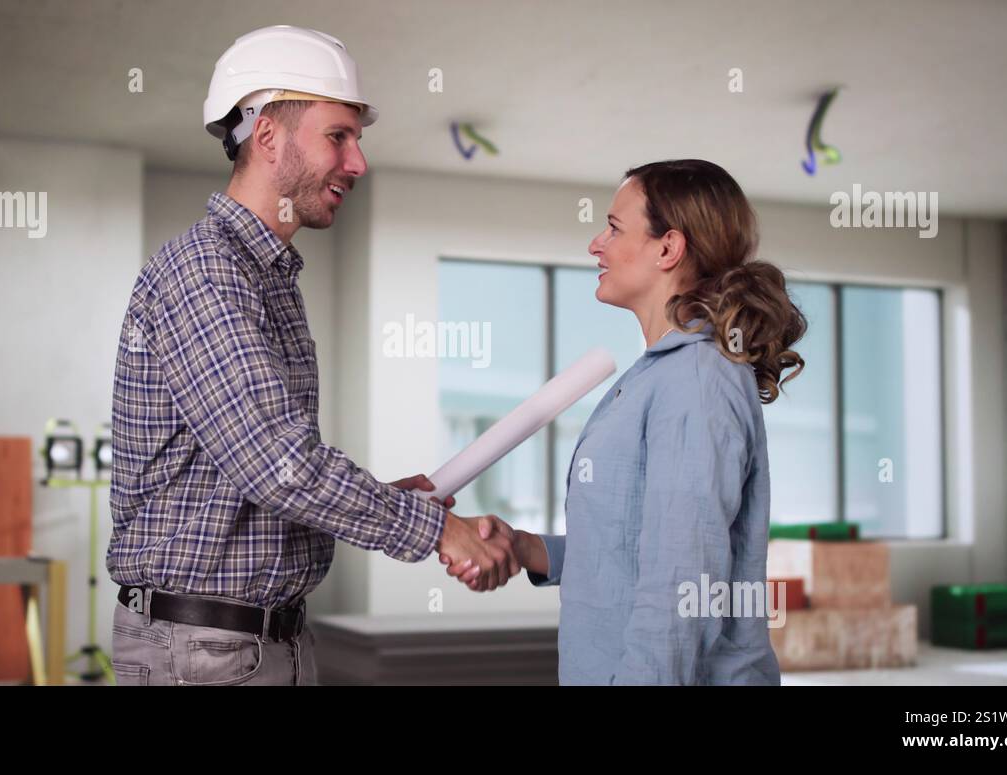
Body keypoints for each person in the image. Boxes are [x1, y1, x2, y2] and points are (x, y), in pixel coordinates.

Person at [107, 25, 517, 687]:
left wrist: (379, 498)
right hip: (203, 653)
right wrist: (439, 532)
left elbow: (256, 472)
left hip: (267, 639)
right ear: (268, 135)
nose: (357, 163)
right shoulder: (207, 271)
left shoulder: (268, 278)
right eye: (338, 136)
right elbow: (278, 465)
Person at [444, 159, 806, 685]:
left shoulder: (697, 378)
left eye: (614, 228)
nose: (596, 244)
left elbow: (682, 581)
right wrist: (526, 547)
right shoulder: (659, 373)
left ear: (668, 248)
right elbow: (630, 549)